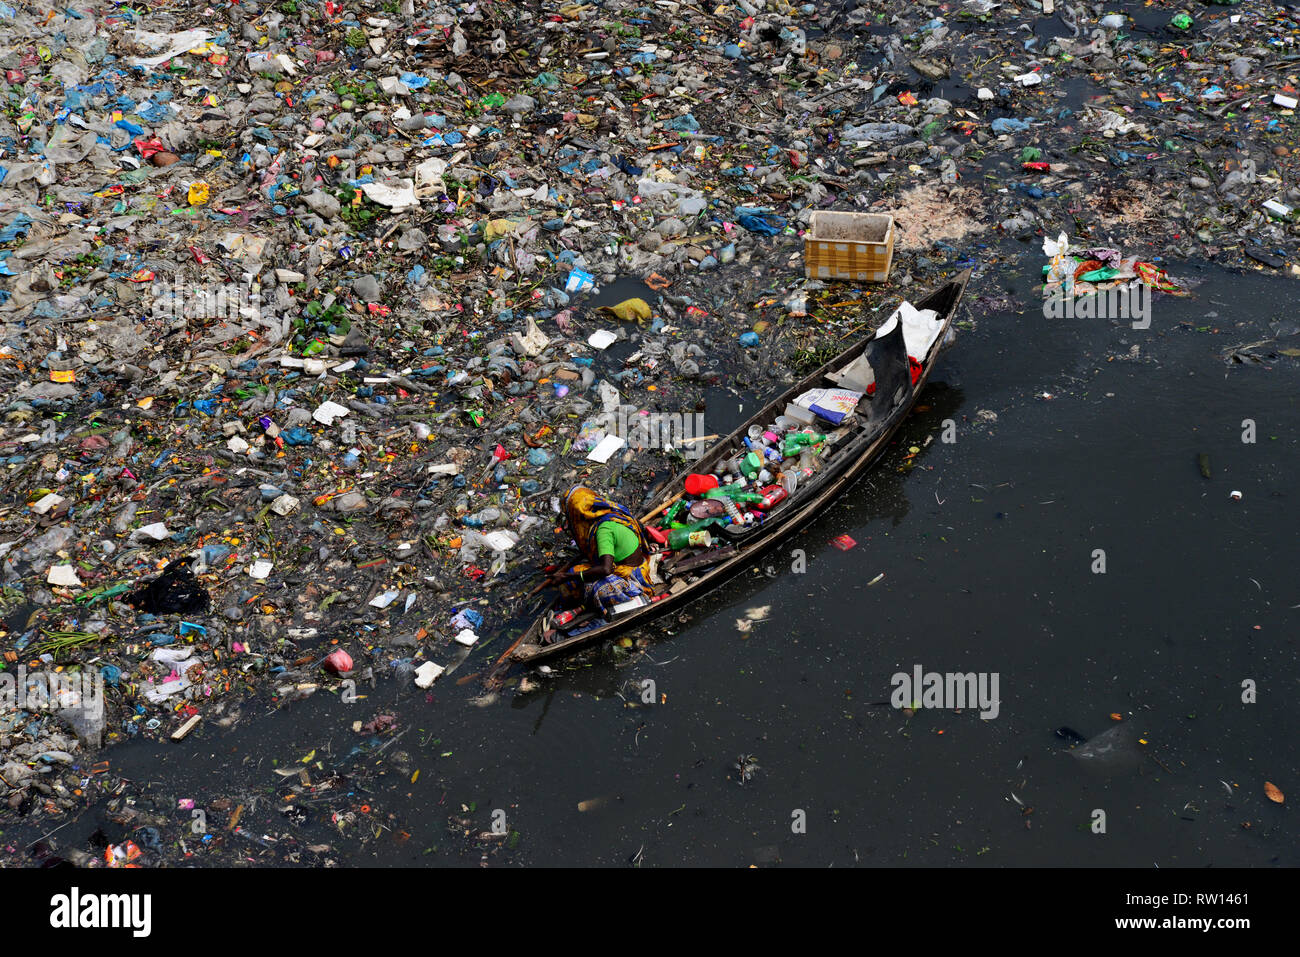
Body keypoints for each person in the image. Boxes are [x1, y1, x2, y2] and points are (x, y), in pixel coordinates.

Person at [545, 485, 657, 615]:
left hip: (634, 577)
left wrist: (567, 576)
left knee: (574, 580)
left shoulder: (603, 531)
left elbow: (606, 569)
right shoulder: (611, 513)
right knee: (579, 572)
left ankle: (583, 608)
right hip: (635, 563)